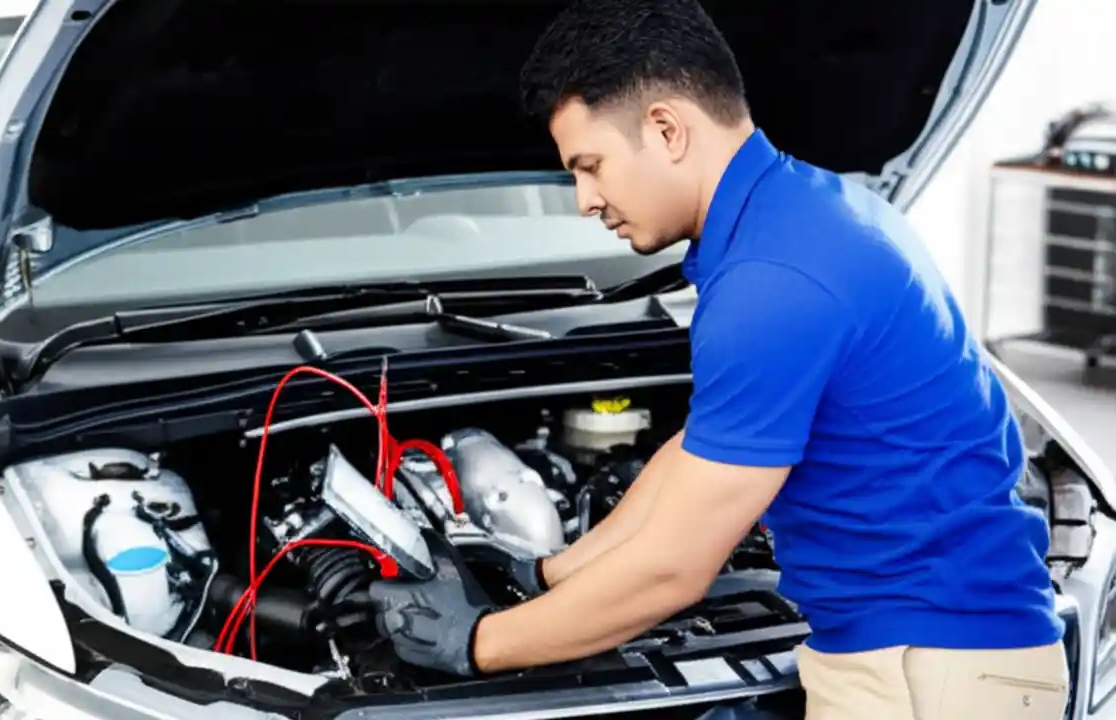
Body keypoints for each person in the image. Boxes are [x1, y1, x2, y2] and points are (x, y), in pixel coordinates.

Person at [366, 1, 1070, 717]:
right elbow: (698, 453)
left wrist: (477, 641)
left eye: (590, 166)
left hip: (931, 675)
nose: (585, 200)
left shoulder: (774, 279)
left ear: (667, 129)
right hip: (935, 653)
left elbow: (672, 572)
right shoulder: (806, 212)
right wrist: (549, 570)